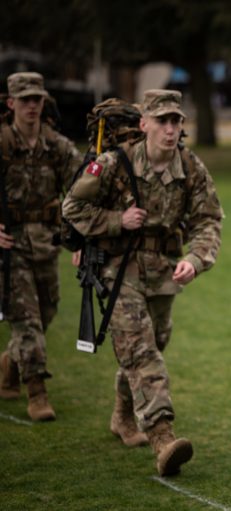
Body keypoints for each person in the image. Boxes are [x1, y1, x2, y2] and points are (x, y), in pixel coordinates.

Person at [62, 89, 223, 476]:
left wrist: (195, 259)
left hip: (165, 269)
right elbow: (73, 207)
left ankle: (122, 415)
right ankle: (163, 437)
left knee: (152, 344)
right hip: (120, 270)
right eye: (162, 120)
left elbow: (208, 219)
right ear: (144, 124)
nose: (170, 129)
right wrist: (117, 222)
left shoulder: (190, 166)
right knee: (140, 350)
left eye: (176, 121)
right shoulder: (115, 163)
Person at [0, 72, 82, 421]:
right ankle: (37, 392)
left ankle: (9, 363)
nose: (32, 106)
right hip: (11, 245)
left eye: (38, 100)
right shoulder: (2, 143)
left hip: (48, 243)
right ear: (11, 103)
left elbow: (82, 190)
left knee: (46, 312)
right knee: (27, 320)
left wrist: (81, 239)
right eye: (25, 100)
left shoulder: (57, 146)